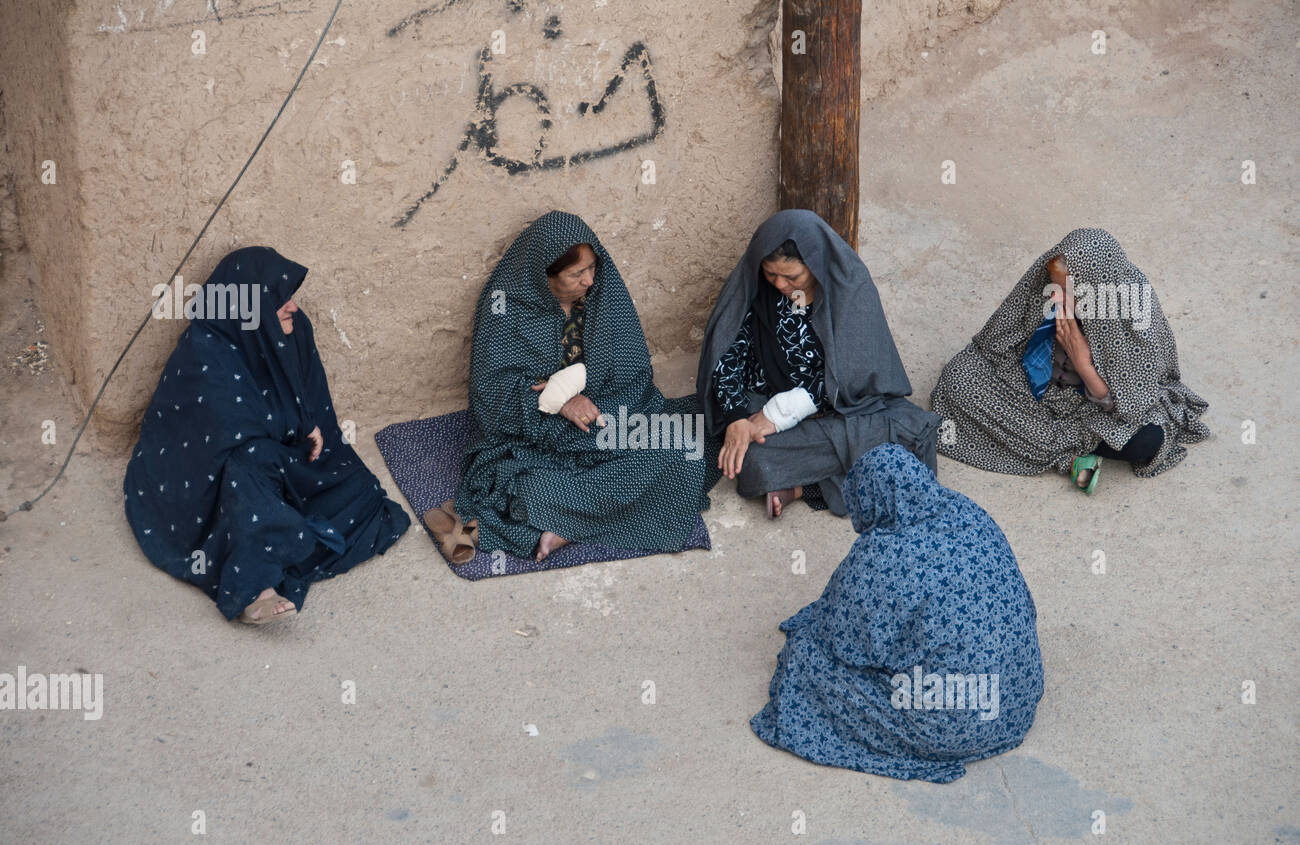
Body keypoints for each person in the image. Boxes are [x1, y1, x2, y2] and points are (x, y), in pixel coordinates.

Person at [124, 246, 410, 623]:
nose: (292, 306)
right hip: (216, 476)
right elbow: (229, 428)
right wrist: (298, 426)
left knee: (368, 500)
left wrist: (307, 427)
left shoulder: (292, 331)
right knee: (248, 468)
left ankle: (287, 531)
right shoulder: (204, 353)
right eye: (278, 299)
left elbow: (314, 406)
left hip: (286, 454)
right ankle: (255, 588)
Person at [750, 444, 1044, 783]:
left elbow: (843, 642)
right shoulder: (970, 513)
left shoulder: (880, 553)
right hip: (1013, 698)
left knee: (805, 658)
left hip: (952, 725)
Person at [447, 210, 720, 563]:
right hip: (535, 435)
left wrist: (599, 407)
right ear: (545, 274)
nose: (590, 280)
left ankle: (564, 524)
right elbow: (491, 396)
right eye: (577, 274)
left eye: (592, 267)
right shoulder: (506, 307)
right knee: (524, 488)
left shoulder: (601, 295)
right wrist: (559, 401)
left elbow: (631, 369)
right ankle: (575, 514)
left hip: (605, 417)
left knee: (685, 449)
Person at [697, 209, 940, 519]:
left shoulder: (850, 288)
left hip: (845, 408)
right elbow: (729, 354)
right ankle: (823, 480)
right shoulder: (757, 288)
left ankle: (801, 487)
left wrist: (786, 411)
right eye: (771, 274)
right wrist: (736, 418)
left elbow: (860, 374)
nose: (780, 284)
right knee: (750, 458)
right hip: (768, 398)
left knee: (909, 432)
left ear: (815, 263)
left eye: (792, 277)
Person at [929, 228, 1209, 490]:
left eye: (1066, 292)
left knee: (1147, 440)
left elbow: (1132, 406)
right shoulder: (1049, 292)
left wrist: (1083, 364)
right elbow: (997, 345)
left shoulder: (1132, 312)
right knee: (958, 379)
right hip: (1033, 391)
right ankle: (1068, 453)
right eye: (1054, 288)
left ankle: (1054, 448)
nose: (1055, 298)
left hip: (1094, 410)